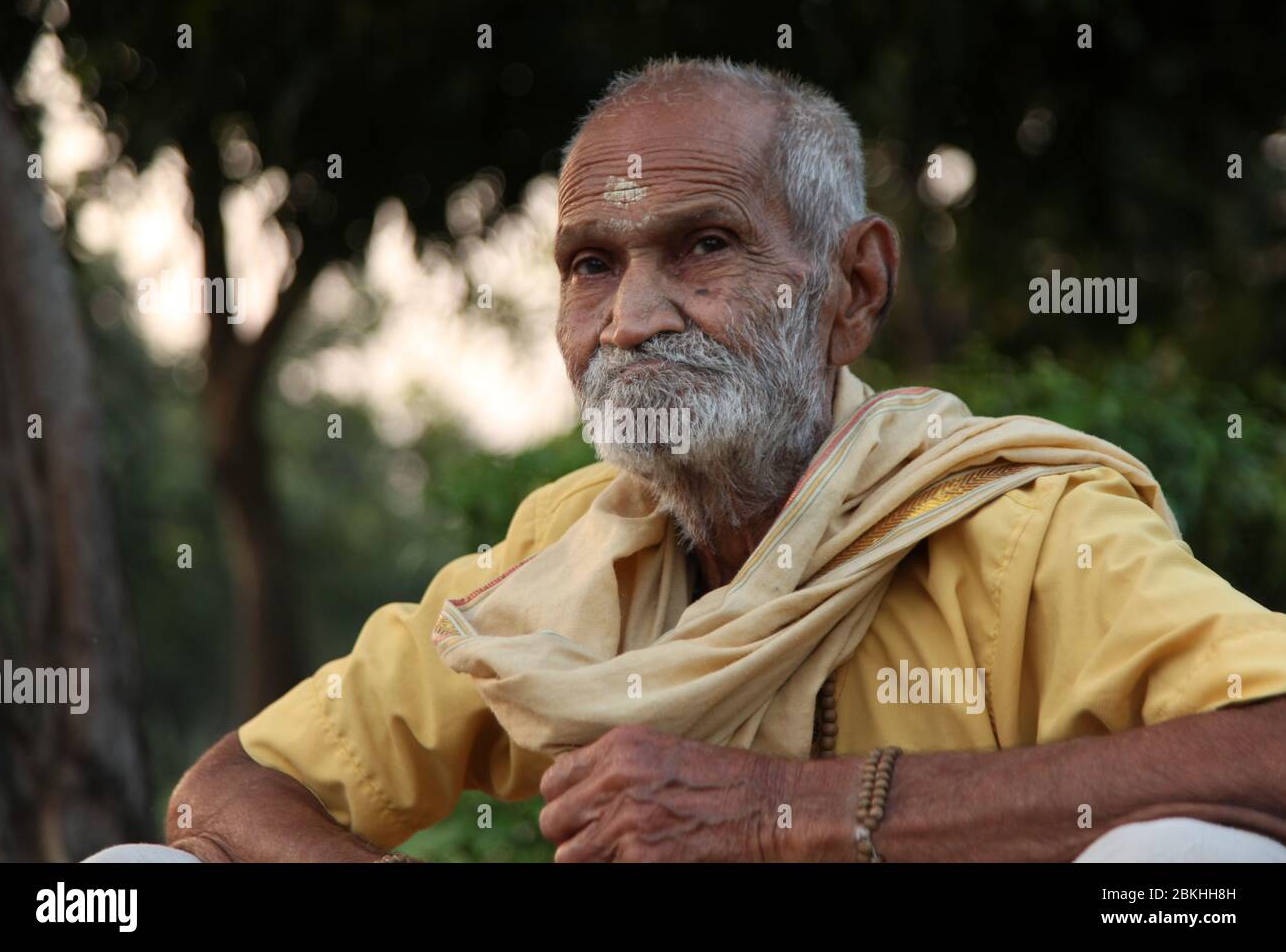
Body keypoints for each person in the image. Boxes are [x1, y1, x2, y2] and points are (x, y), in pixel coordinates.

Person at [109, 57, 1286, 863]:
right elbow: (225, 784)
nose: (630, 318)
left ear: (853, 286)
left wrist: (786, 814)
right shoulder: (566, 551)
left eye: (704, 245)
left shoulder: (1018, 530)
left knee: (1187, 871)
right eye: (589, 265)